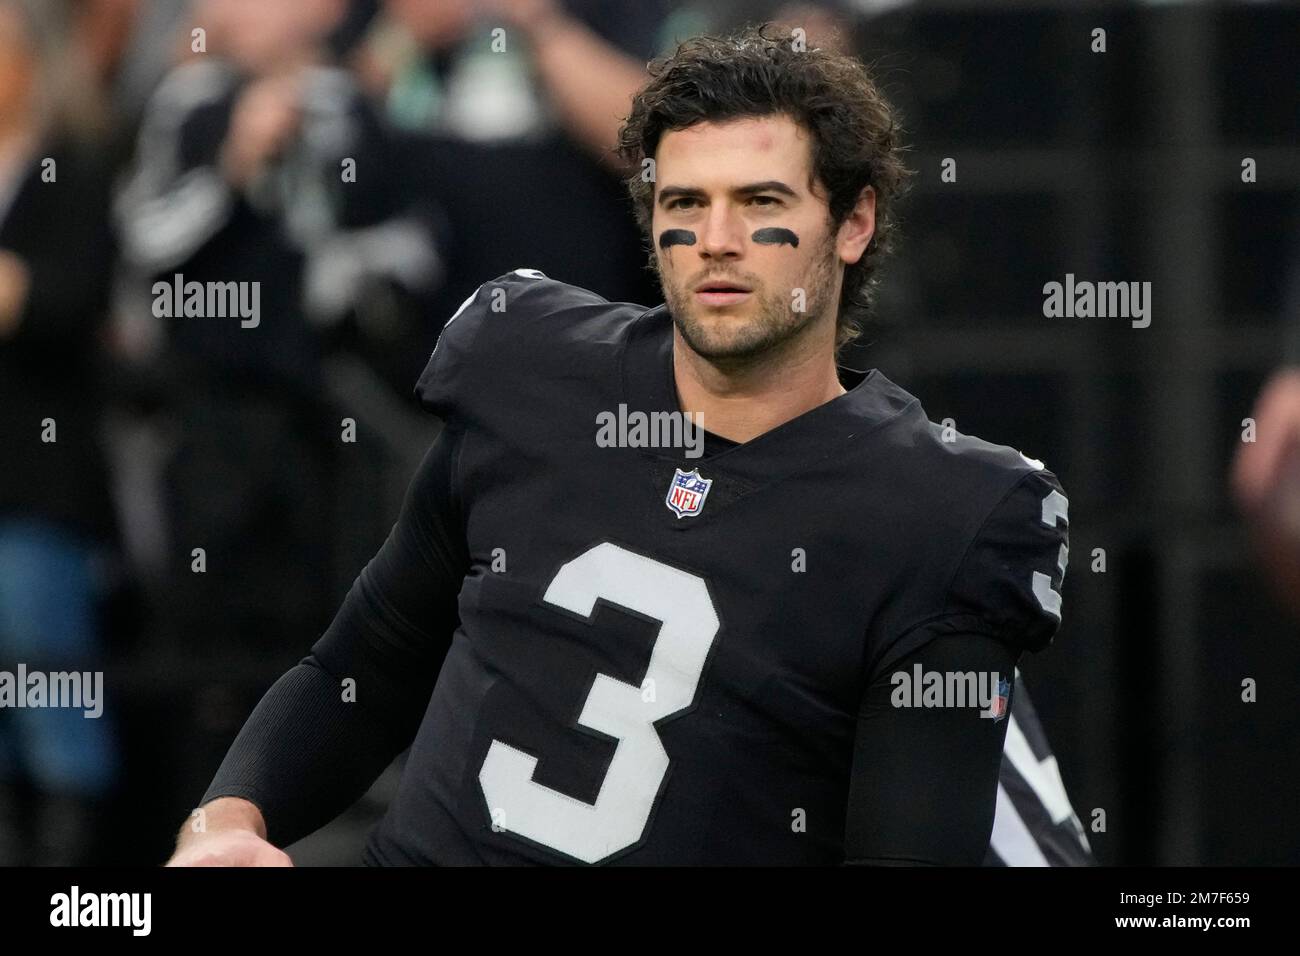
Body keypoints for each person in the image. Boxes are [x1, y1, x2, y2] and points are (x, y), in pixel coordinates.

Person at [169, 24, 1072, 866]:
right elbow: (365, 661)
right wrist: (230, 821)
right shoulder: (529, 372)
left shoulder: (936, 514)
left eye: (760, 202)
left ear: (854, 222)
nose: (716, 241)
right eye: (685, 201)